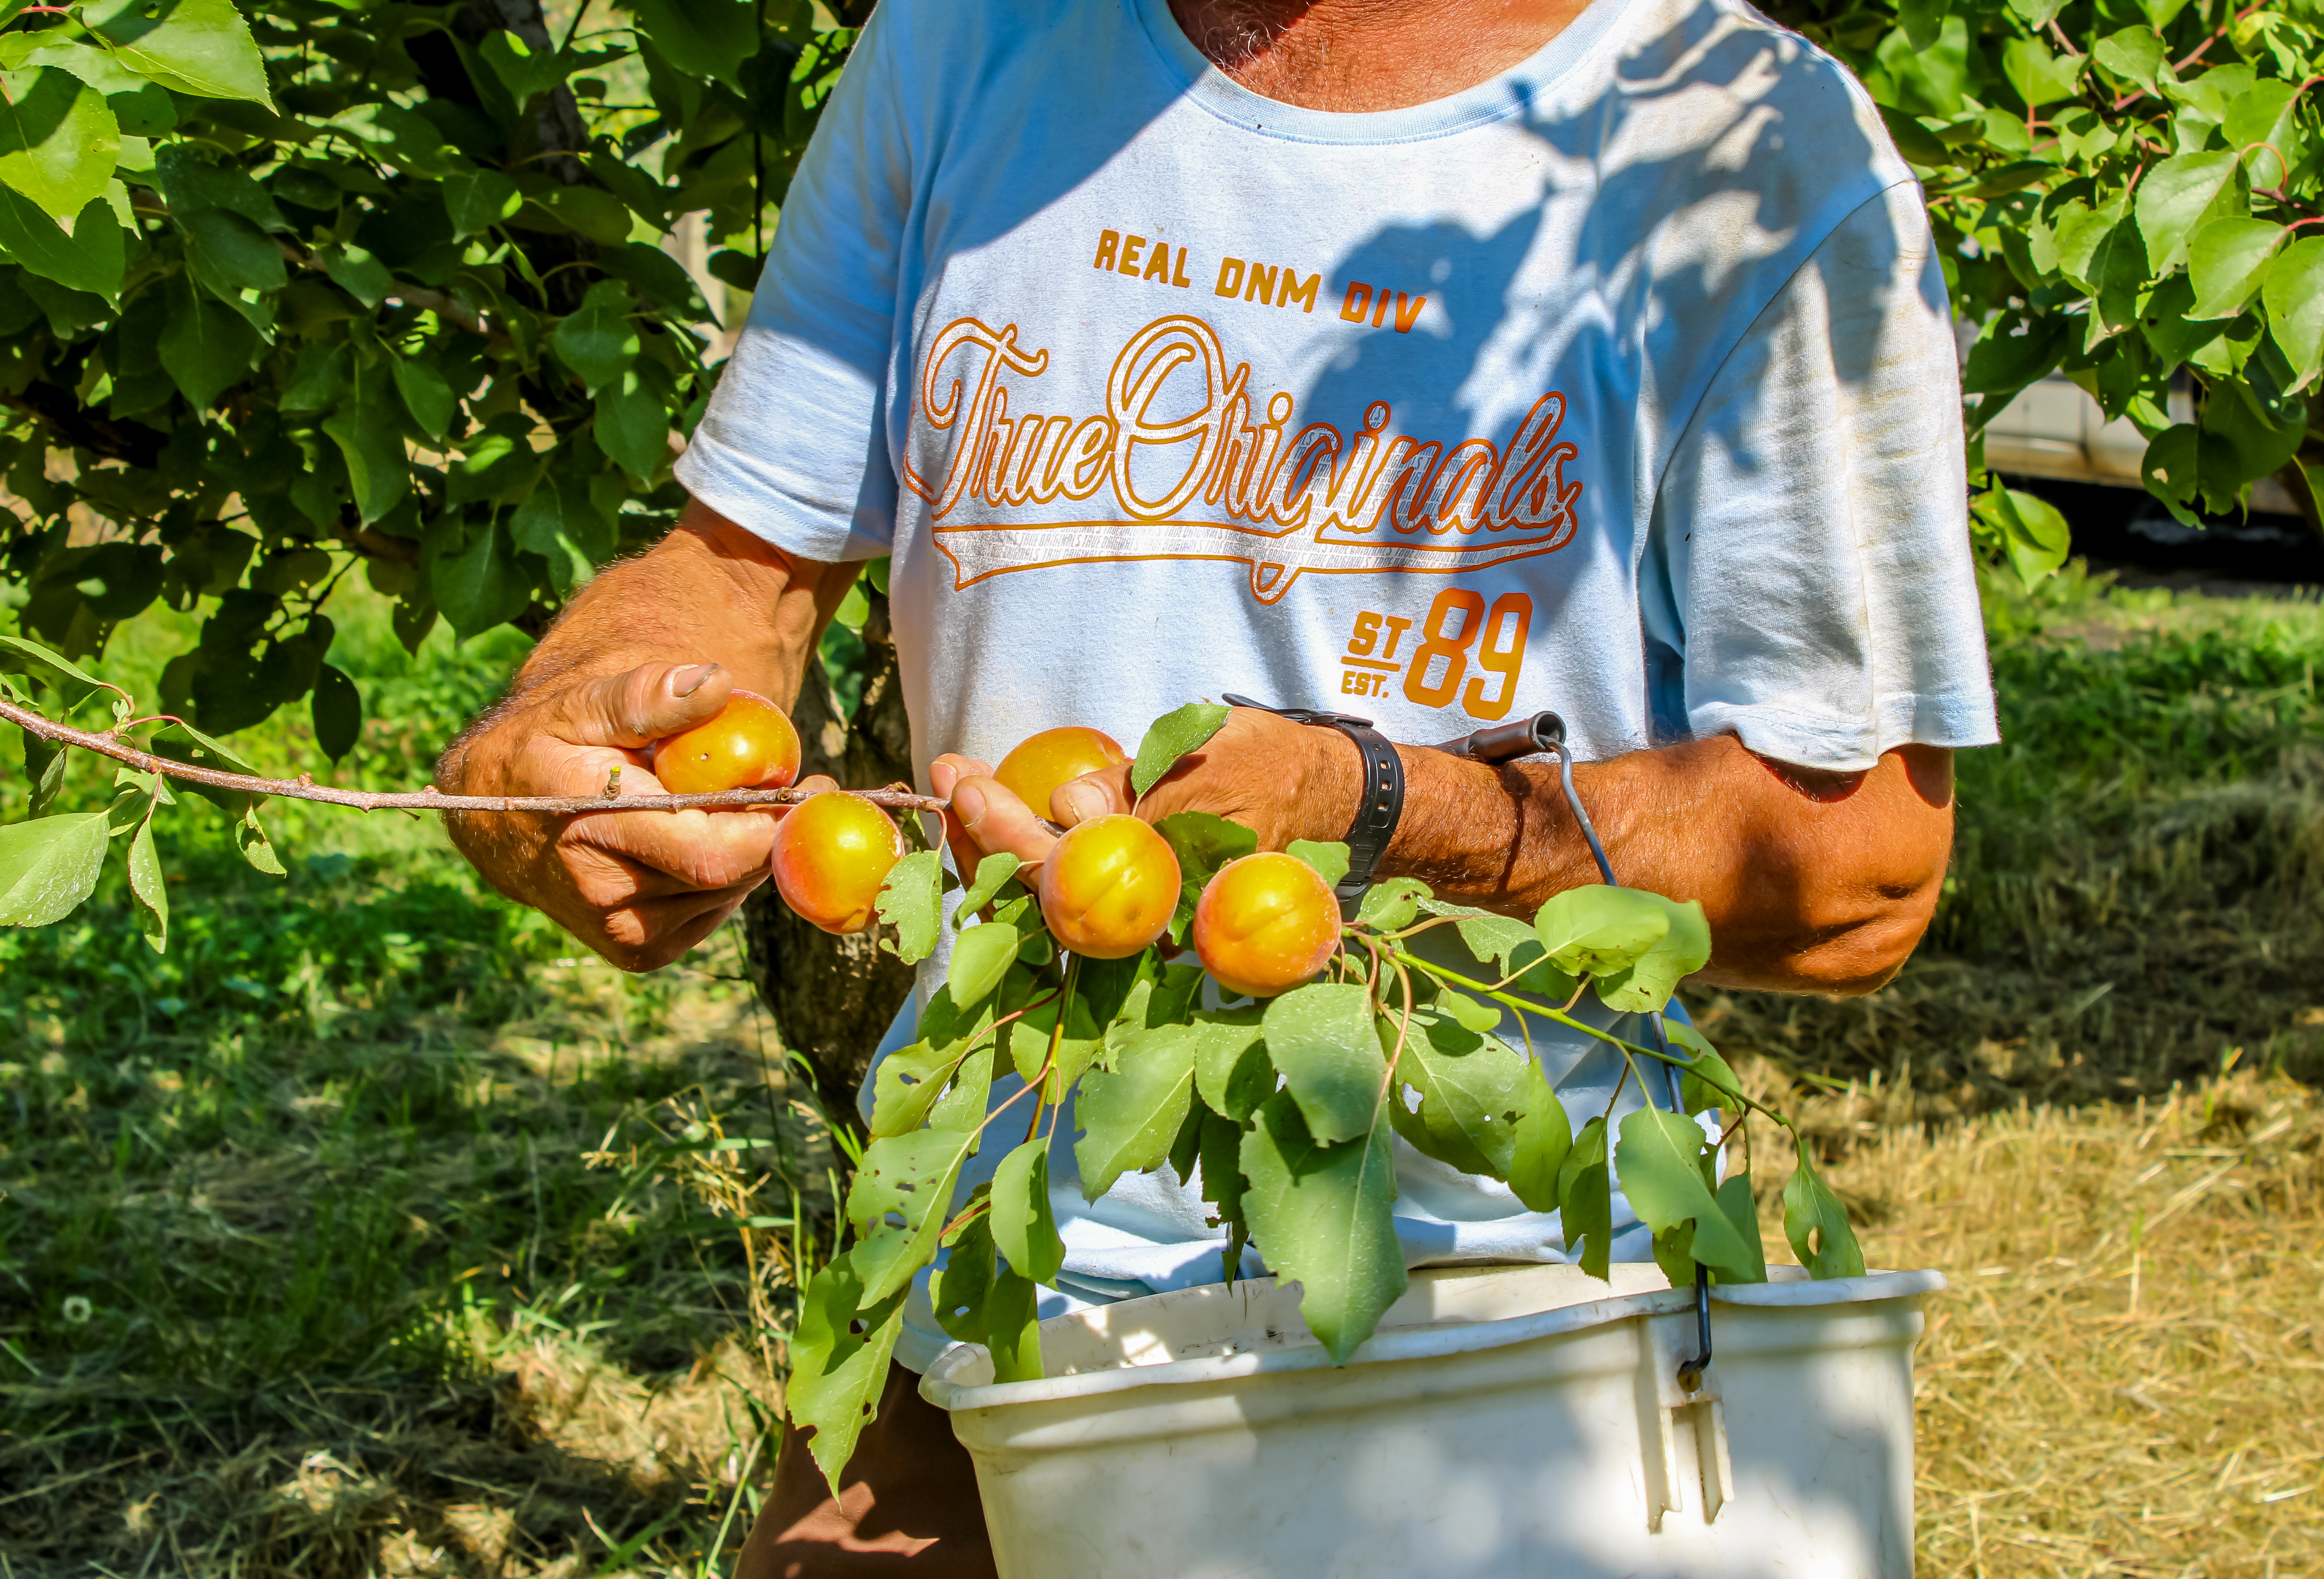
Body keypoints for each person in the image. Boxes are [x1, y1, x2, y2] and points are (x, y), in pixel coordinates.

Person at [438, 0, 1996, 1570]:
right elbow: (737, 569)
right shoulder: (964, 44)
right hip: (990, 1269)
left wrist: (1381, 806)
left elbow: (1855, 865)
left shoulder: (1736, 140)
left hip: (1513, 1311)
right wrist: (576, 718)